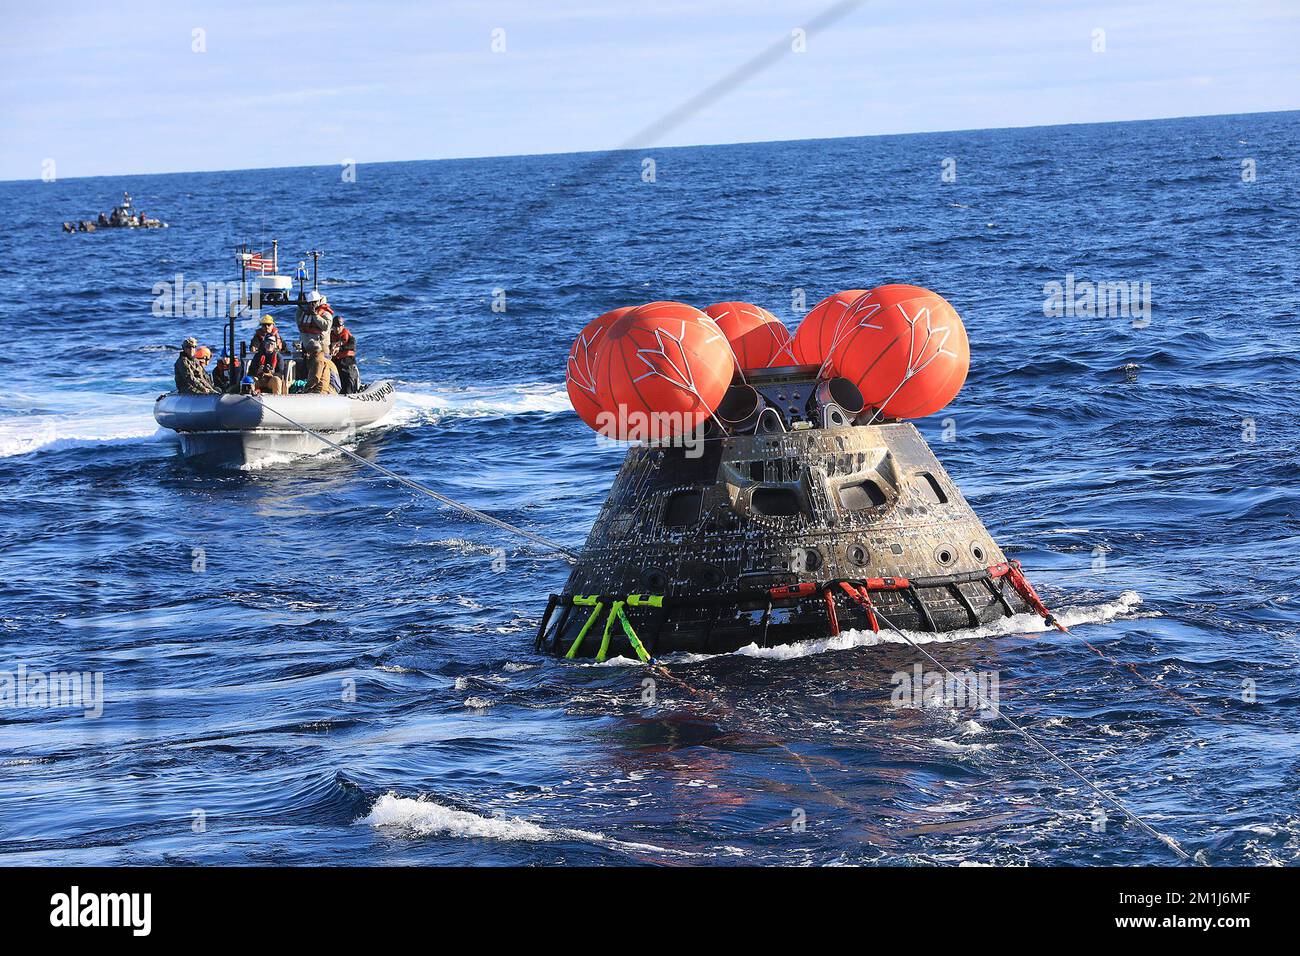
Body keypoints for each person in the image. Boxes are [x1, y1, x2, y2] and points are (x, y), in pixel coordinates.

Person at [331, 315, 360, 394]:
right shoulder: (329, 336)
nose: (337, 329)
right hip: (336, 362)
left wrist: (339, 348)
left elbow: (352, 346)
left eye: (339, 327)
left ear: (342, 326)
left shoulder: (349, 336)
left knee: (348, 380)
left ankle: (350, 393)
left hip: (347, 362)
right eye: (335, 326)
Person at [297, 290, 333, 354]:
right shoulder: (305, 313)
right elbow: (299, 323)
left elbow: (326, 326)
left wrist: (315, 316)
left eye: (314, 302)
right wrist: (300, 307)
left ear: (319, 301)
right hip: (307, 347)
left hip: (321, 347)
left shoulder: (325, 313)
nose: (313, 305)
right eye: (310, 303)